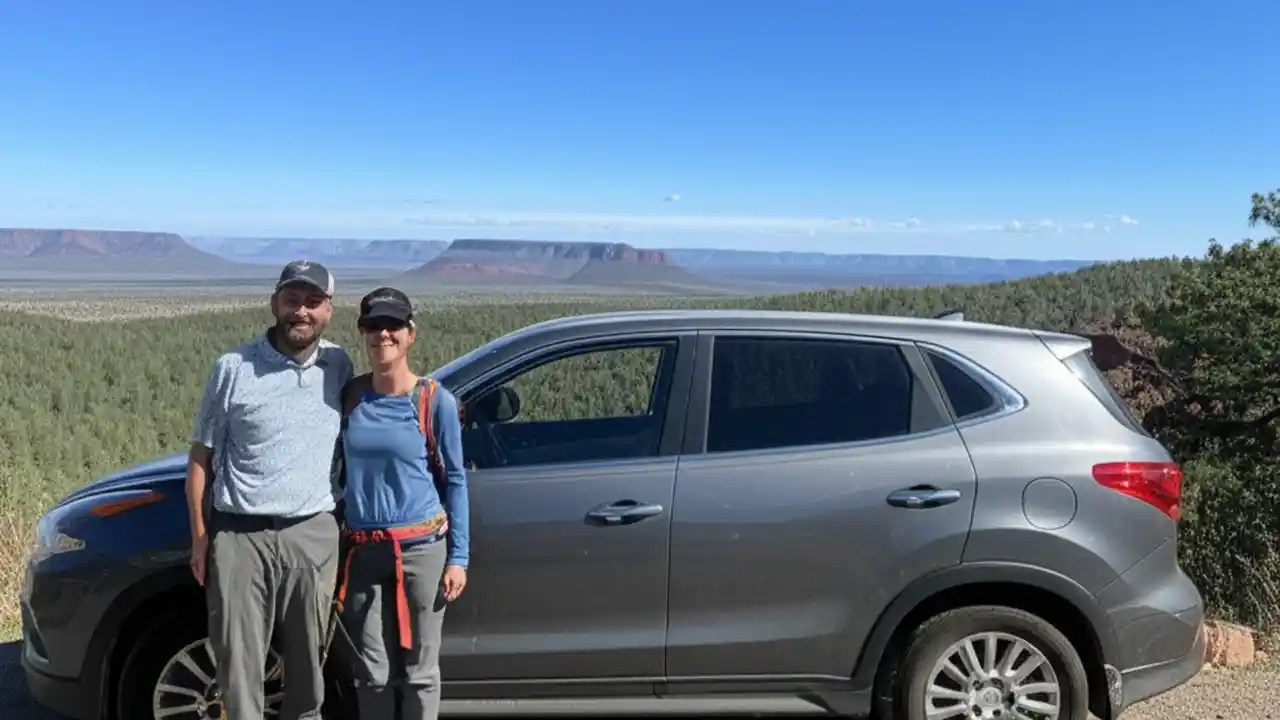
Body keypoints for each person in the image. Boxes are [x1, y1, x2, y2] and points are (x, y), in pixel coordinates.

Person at [185, 260, 354, 720]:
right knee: (239, 670)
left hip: (313, 532)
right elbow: (201, 459)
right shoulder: (233, 368)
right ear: (274, 303)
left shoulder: (338, 365)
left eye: (313, 302)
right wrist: (201, 538)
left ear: (329, 310)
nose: (302, 311)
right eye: (293, 299)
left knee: (308, 667)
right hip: (240, 537)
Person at [334, 286, 470, 720]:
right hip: (364, 551)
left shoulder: (433, 401)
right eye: (373, 327)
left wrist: (458, 558)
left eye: (393, 326)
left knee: (420, 673)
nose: (383, 335)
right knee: (370, 672)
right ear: (363, 334)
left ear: (411, 334)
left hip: (421, 551)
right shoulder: (351, 398)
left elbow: (456, 481)